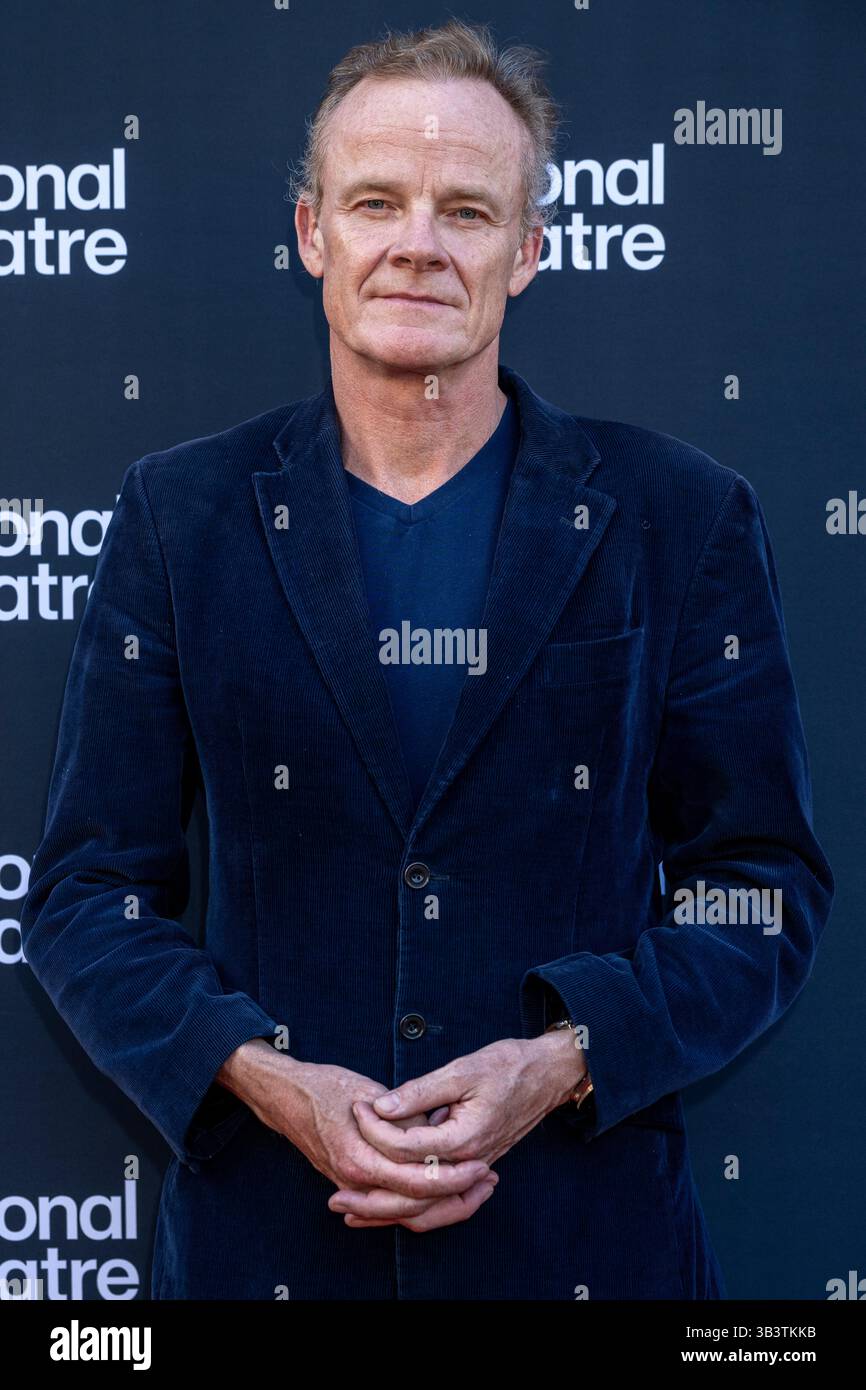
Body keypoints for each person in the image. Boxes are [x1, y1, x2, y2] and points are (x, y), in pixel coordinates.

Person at [21, 19, 834, 1300]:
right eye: (374, 202)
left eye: (465, 209)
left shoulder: (680, 516)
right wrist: (262, 1077)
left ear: (528, 251)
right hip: (265, 1253)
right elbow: (84, 897)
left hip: (584, 1249)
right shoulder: (180, 518)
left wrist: (563, 1058)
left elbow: (758, 883)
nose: (416, 243)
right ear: (311, 236)